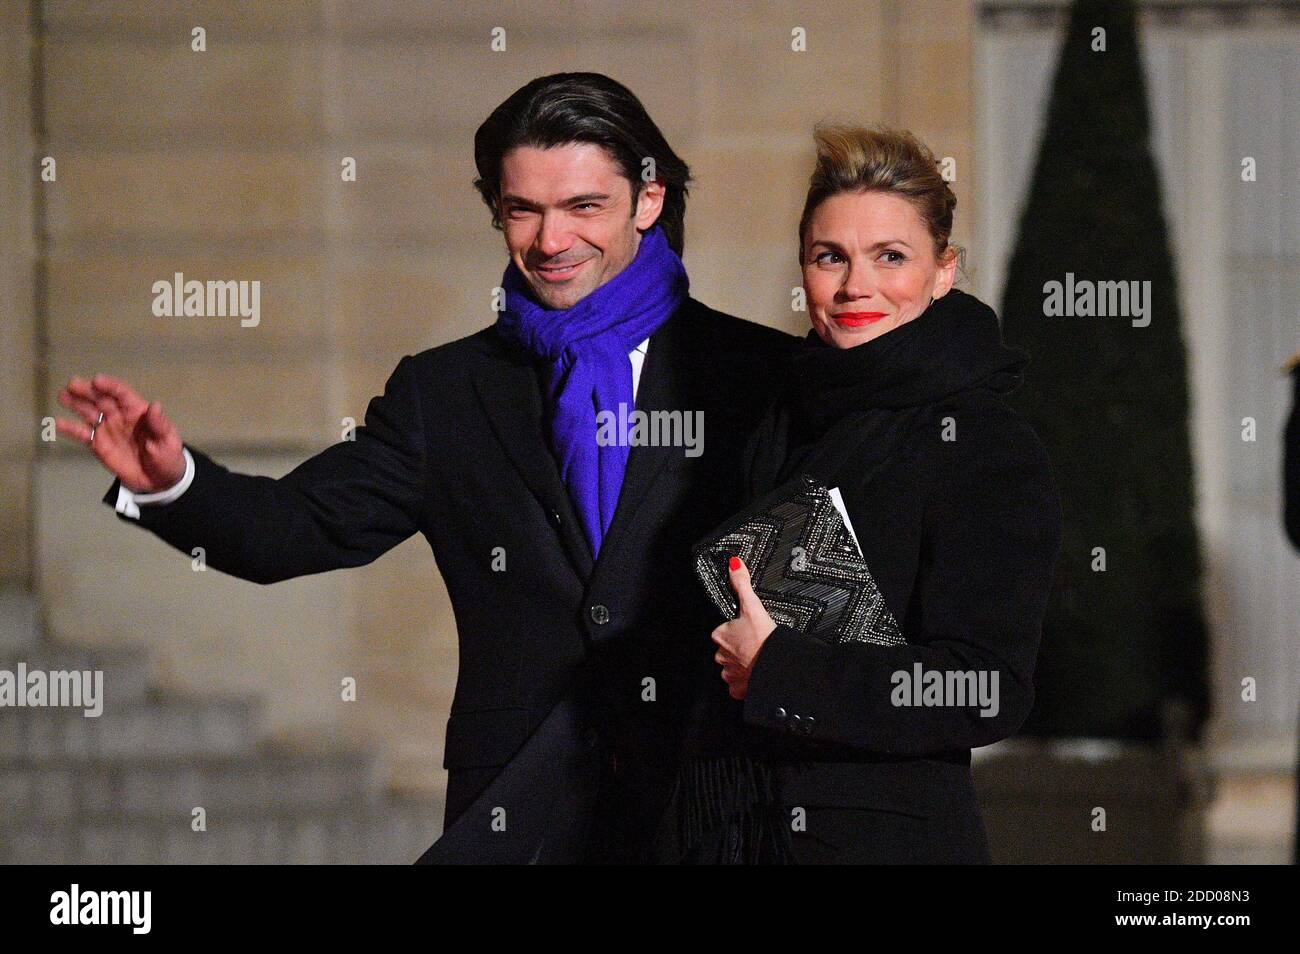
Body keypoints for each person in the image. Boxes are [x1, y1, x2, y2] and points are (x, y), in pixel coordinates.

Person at [54, 72, 796, 864]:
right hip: (515, 811)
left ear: (648, 201)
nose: (550, 242)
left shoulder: (760, 377)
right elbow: (293, 530)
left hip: (710, 803)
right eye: (523, 210)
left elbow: (834, 605)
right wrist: (171, 482)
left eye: (583, 207)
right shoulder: (444, 393)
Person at [664, 124, 1062, 864]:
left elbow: (984, 687)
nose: (856, 287)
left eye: (891, 257)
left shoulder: (982, 440)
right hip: (731, 831)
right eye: (829, 257)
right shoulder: (769, 417)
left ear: (944, 271)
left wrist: (782, 667)